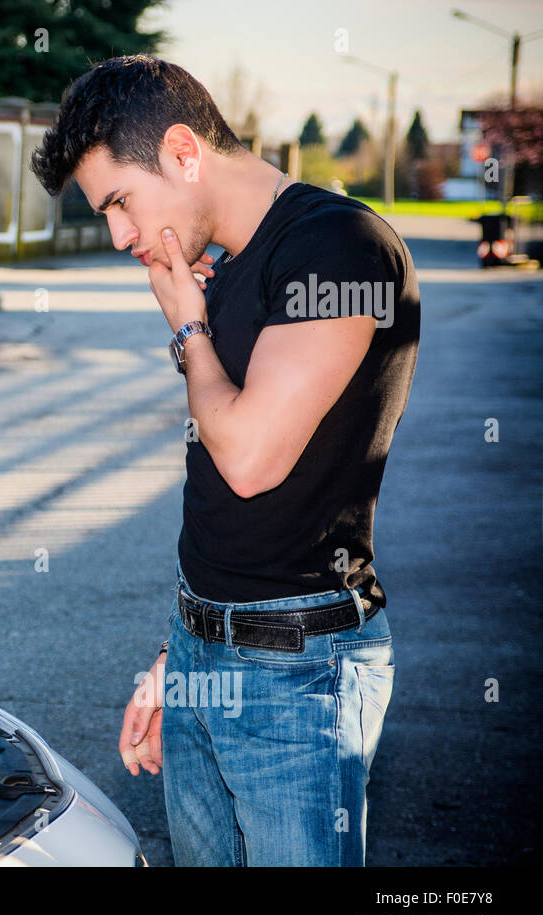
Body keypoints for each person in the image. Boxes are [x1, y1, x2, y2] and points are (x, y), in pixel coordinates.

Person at [30, 55, 420, 866]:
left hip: (298, 676)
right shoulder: (227, 269)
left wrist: (187, 329)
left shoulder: (341, 249)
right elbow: (227, 503)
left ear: (182, 150)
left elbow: (246, 459)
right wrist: (183, 656)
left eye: (119, 203)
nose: (120, 236)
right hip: (205, 649)